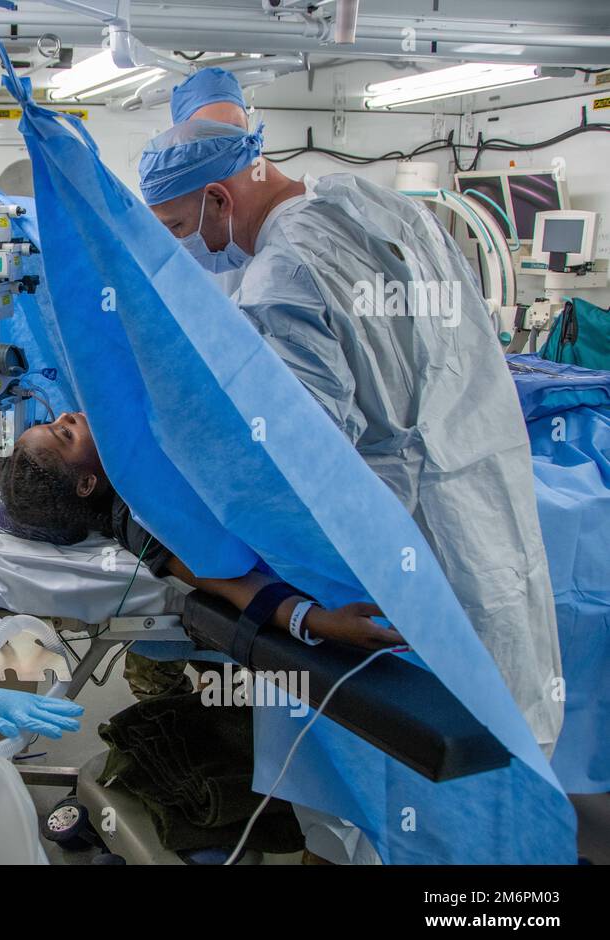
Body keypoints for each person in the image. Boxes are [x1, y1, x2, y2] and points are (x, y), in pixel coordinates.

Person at [137, 67, 562, 862]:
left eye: (175, 227)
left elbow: (299, 462)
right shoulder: (378, 204)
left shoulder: (278, 280)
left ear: (220, 201)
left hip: (398, 568)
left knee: (400, 809)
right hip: (485, 521)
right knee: (494, 791)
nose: (181, 248)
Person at [0, 411, 404, 653]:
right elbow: (232, 583)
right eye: (65, 434)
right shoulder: (140, 520)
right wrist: (321, 622)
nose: (67, 416)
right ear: (86, 484)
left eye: (55, 422)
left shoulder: (123, 447)